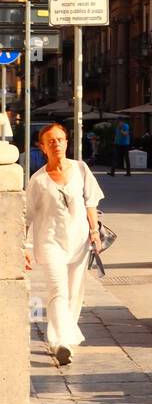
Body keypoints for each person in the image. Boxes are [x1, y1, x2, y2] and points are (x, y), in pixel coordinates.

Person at [24, 122, 104, 366]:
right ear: (42, 147)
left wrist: (94, 232)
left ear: (67, 143)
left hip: (78, 241)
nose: (56, 144)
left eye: (60, 139)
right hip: (49, 242)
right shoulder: (37, 181)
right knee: (57, 290)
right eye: (51, 141)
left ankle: (64, 337)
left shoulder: (81, 169)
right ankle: (61, 342)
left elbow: (91, 202)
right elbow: (25, 215)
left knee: (74, 292)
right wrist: (23, 249)